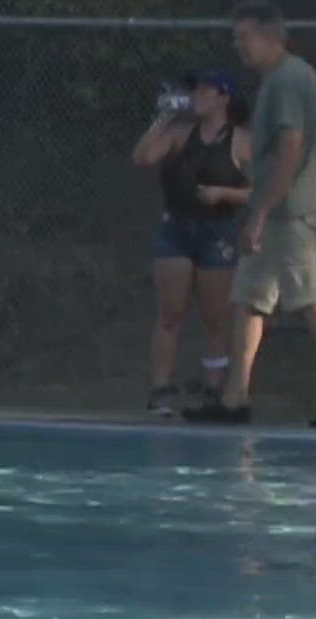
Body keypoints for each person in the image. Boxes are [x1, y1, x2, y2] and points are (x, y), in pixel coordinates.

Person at [183, 1, 316, 427]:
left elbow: (291, 149)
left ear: (272, 35)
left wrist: (260, 211)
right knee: (250, 300)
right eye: (236, 38)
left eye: (245, 37)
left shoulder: (289, 80)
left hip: (287, 212)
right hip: (271, 210)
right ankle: (235, 398)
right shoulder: (277, 81)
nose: (239, 46)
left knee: (308, 300)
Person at [131, 68, 253, 417]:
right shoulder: (180, 133)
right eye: (194, 90)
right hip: (177, 230)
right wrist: (162, 117)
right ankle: (161, 389)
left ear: (223, 98)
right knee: (170, 312)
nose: (195, 96)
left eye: (204, 90)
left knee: (215, 317)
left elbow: (261, 191)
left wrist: (223, 193)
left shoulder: (242, 140)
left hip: (218, 232)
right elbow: (142, 158)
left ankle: (213, 389)